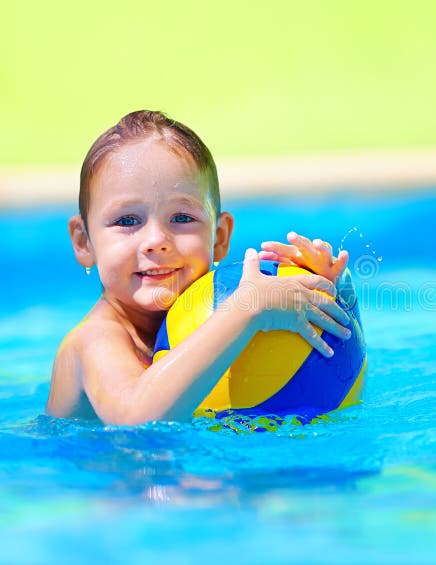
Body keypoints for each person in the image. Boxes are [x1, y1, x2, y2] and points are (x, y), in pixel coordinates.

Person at [46, 110, 352, 425]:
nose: (156, 240)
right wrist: (247, 310)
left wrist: (324, 290)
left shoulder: (208, 317)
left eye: (182, 218)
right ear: (84, 242)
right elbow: (135, 420)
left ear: (219, 237)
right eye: (127, 220)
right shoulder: (94, 341)